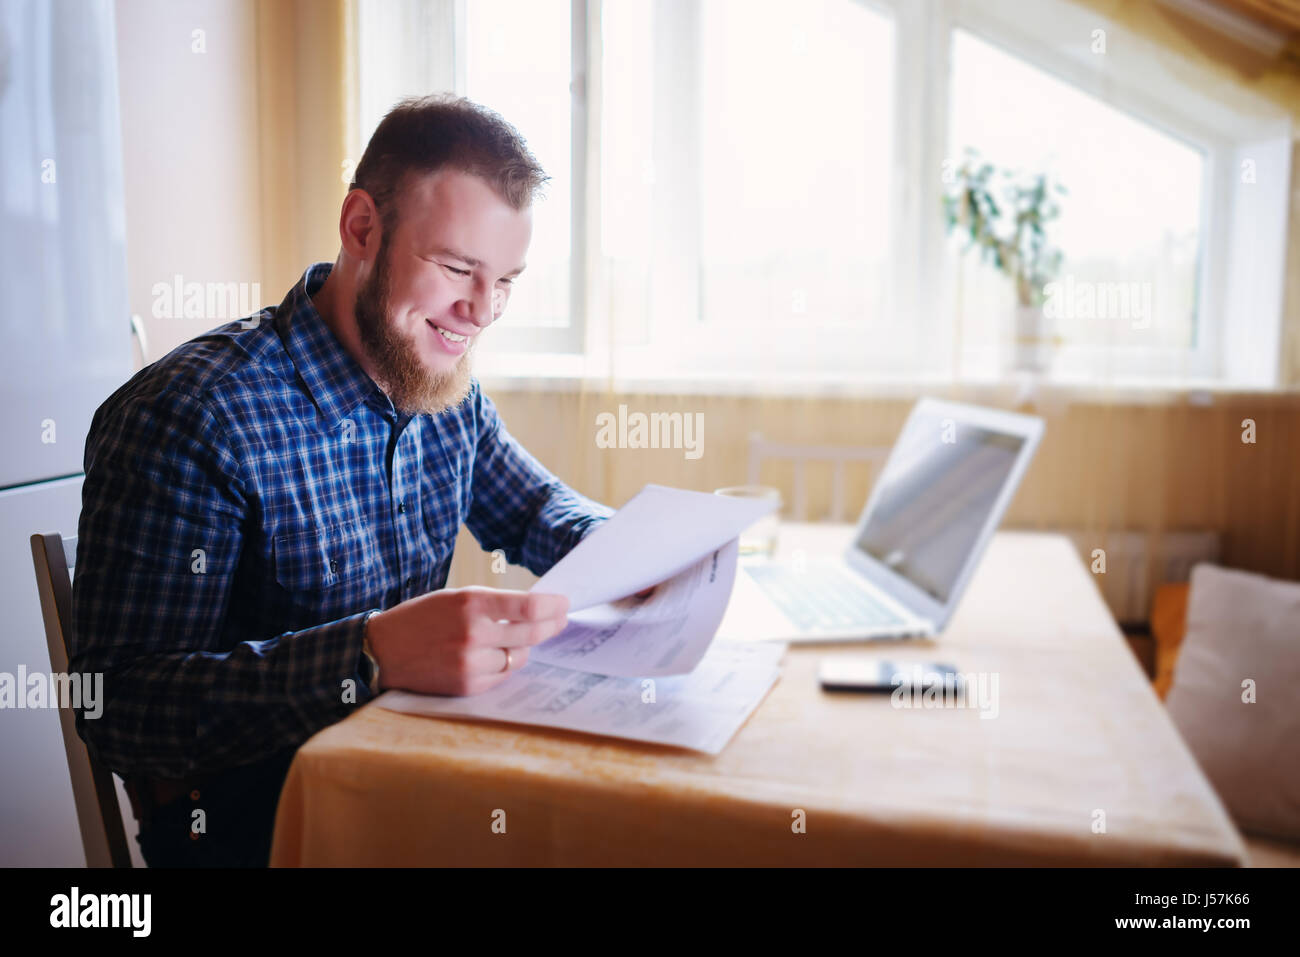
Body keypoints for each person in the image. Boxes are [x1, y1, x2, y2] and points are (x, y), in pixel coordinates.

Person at [70, 94, 636, 867]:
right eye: (457, 268)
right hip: (263, 833)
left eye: (506, 279)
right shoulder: (191, 414)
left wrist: (629, 552)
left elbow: (537, 507)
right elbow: (121, 707)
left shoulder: (445, 390)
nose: (481, 311)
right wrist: (369, 655)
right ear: (362, 228)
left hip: (414, 783)